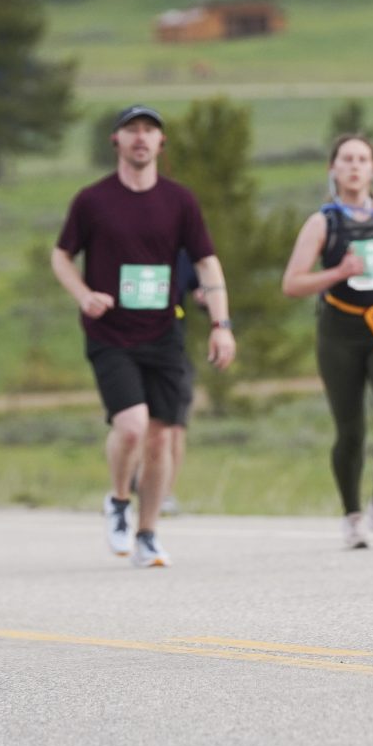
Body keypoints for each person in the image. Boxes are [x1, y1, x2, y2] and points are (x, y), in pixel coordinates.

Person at [50, 105, 236, 568]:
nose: (140, 137)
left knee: (160, 438)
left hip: (164, 331)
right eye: (131, 130)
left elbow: (207, 262)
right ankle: (118, 500)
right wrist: (83, 295)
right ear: (115, 140)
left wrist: (221, 325)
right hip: (110, 332)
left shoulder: (179, 201)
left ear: (160, 142)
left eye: (149, 130)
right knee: (131, 426)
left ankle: (148, 533)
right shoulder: (93, 200)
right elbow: (61, 255)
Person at [284, 136, 373, 549]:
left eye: (363, 159)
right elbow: (292, 283)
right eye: (347, 159)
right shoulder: (323, 222)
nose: (355, 166)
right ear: (333, 168)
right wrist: (338, 272)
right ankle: (352, 516)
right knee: (351, 430)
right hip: (339, 334)